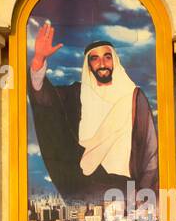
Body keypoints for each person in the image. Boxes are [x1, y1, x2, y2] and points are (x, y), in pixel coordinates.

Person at [28, 19, 158, 203]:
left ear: (114, 60)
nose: (102, 63)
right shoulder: (76, 94)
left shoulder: (134, 97)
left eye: (107, 56)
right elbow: (46, 99)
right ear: (88, 64)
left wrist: (145, 193)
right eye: (94, 58)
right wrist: (39, 59)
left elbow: (150, 150)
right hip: (90, 188)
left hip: (130, 190)